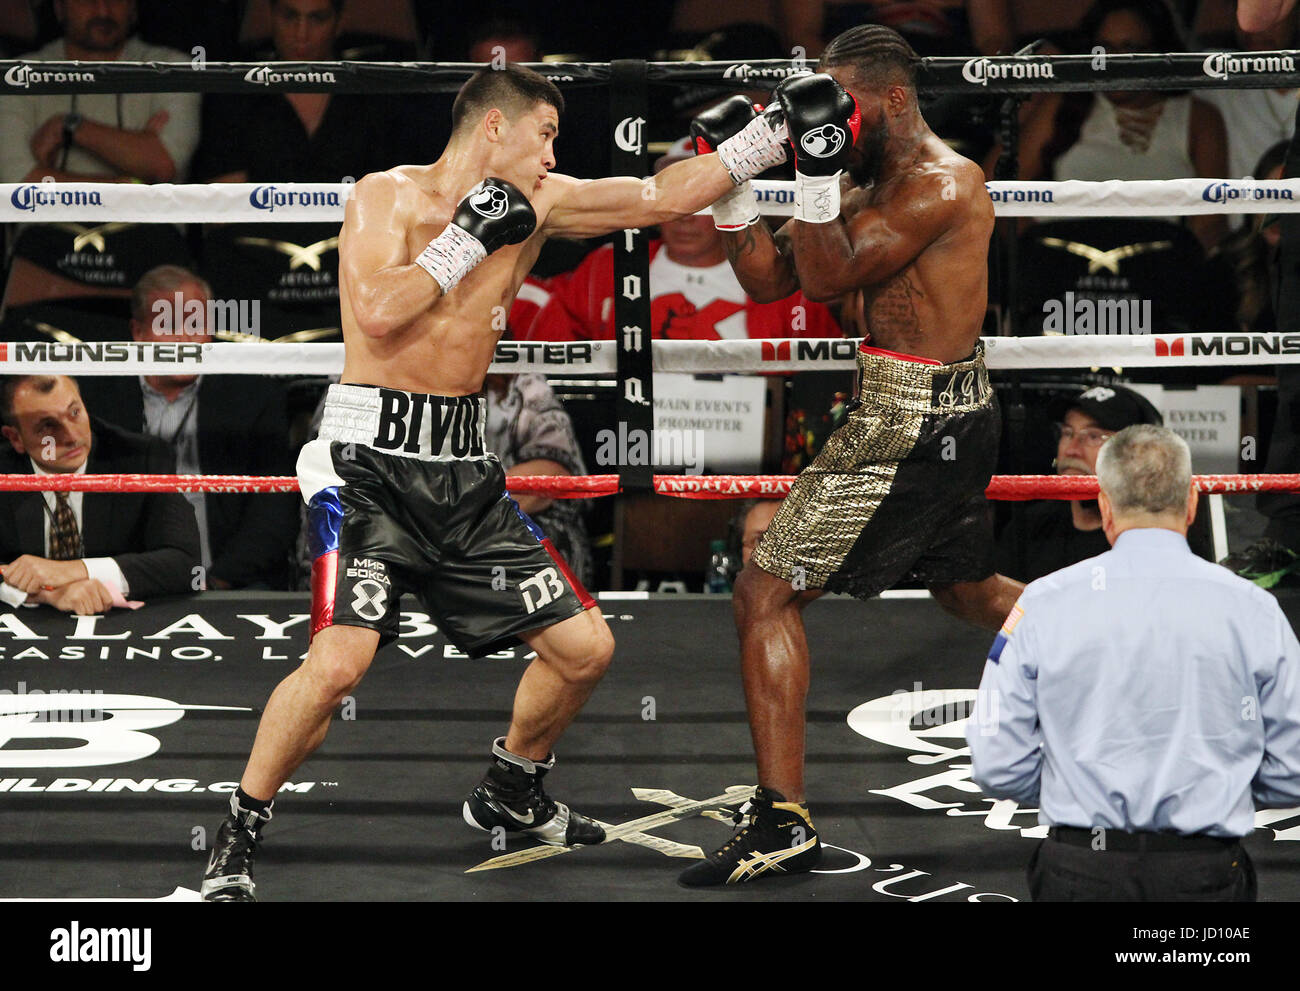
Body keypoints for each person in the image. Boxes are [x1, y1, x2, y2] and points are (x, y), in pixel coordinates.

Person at [200, 62, 758, 902]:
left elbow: (658, 198)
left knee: (584, 649)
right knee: (340, 663)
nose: (553, 154)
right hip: (366, 469)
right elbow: (382, 310)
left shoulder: (542, 203)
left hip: (463, 471)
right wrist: (466, 233)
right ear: (494, 127)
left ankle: (511, 787)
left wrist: (765, 140)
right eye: (545, 134)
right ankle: (238, 828)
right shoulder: (385, 198)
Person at [677, 24, 1023, 887]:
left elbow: (830, 279)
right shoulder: (861, 176)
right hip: (917, 410)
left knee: (765, 589)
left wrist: (815, 172)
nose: (826, 117)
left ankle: (781, 821)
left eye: (844, 101)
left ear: (894, 98)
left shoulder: (945, 182)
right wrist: (734, 195)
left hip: (917, 421)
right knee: (969, 590)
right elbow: (769, 281)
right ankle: (1133, 639)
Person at [967, 424, 1300, 901]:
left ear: (1104, 507)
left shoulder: (1043, 603)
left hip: (1079, 867)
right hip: (1204, 868)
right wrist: (1221, 788)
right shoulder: (1253, 608)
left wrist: (1078, 790)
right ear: (1191, 504)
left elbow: (997, 761)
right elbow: (1294, 764)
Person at [76, 265, 299, 590]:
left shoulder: (254, 398)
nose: (184, 338)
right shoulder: (95, 402)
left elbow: (275, 511)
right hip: (124, 586)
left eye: (195, 323)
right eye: (168, 324)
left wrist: (219, 581)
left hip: (236, 583)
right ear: (137, 333)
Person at [521, 137, 843, 342]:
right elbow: (541, 310)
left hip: (751, 434)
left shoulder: (776, 274)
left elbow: (816, 381)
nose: (686, 216)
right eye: (681, 200)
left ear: (730, 201)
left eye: (700, 201)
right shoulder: (610, 265)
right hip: (636, 432)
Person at [1012, 0, 1228, 251]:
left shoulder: (1198, 116)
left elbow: (1211, 223)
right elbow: (999, 187)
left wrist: (1183, 273)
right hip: (1067, 269)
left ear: (1157, 53)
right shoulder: (1066, 103)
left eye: (1130, 49)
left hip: (1157, 272)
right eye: (1105, 49)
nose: (1115, 61)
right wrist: (1035, 255)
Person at [0, 374, 201, 614]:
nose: (71, 436)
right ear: (16, 438)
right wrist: (50, 593)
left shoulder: (141, 458)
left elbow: (186, 566)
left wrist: (74, 570)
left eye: (74, 413)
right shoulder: (5, 472)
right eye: (48, 426)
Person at [996, 384, 1214, 582]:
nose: (1072, 449)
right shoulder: (1028, 527)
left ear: (1142, 453)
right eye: (1067, 433)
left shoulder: (1162, 538)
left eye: (1094, 436)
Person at [192, 0, 408, 184]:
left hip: (355, 230)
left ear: (339, 21)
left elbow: (395, 195)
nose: (301, 33)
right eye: (289, 16)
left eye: (317, 19)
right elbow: (223, 207)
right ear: (272, 16)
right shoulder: (235, 91)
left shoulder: (375, 94)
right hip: (258, 230)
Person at [0, 0, 199, 183]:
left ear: (133, 8)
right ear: (59, 8)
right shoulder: (19, 73)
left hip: (146, 221)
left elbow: (164, 165)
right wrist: (125, 183)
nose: (103, 10)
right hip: (50, 221)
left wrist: (69, 127)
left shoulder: (172, 66)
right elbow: (17, 181)